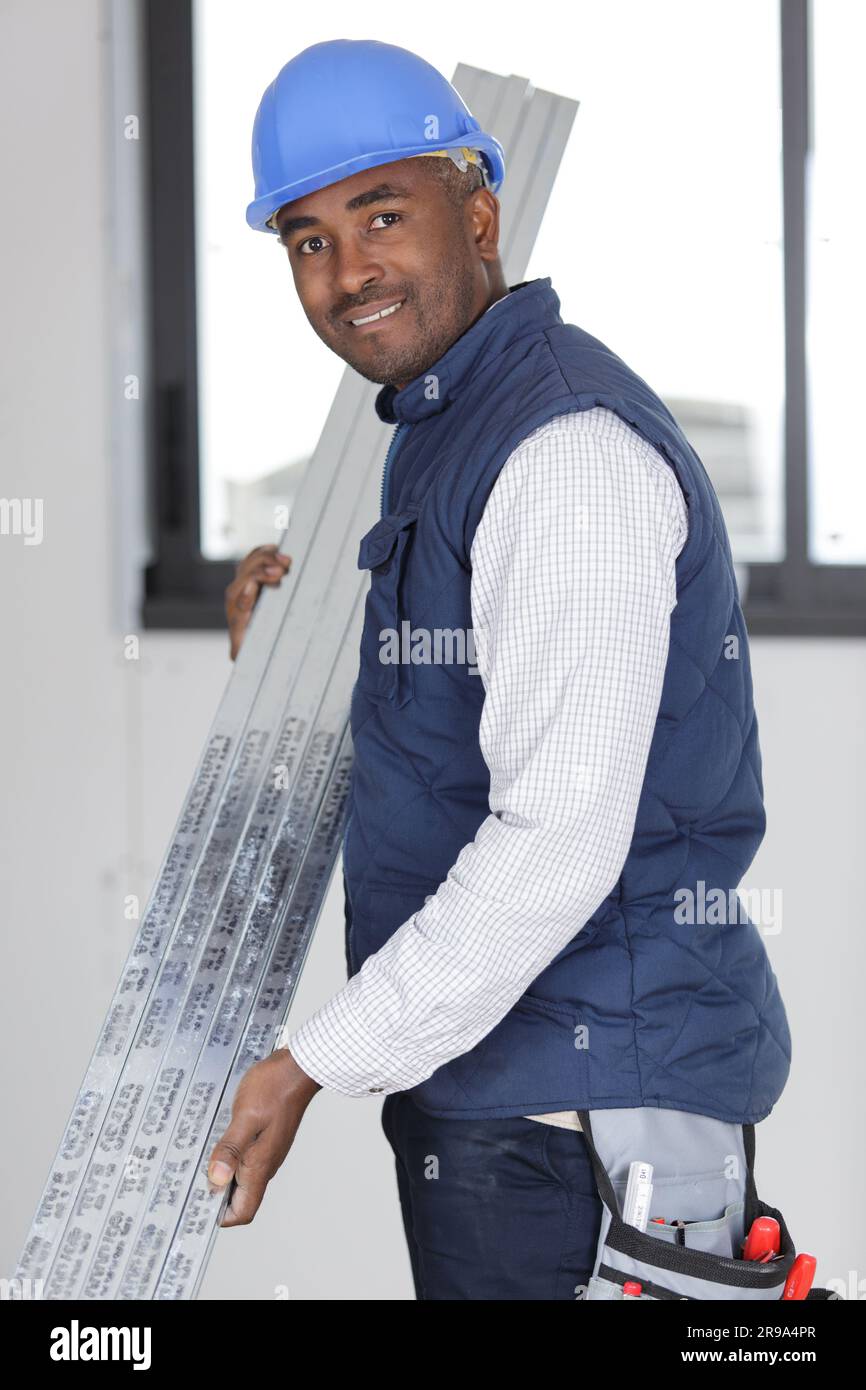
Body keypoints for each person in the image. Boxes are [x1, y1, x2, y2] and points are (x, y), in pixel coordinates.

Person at [207, 38, 791, 1301]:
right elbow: (462, 746)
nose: (347, 270)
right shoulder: (447, 424)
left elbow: (553, 841)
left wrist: (312, 1058)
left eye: (380, 214)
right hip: (508, 1114)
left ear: (477, 211)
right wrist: (290, 689)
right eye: (306, 239)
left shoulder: (561, 452)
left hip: (587, 1128)